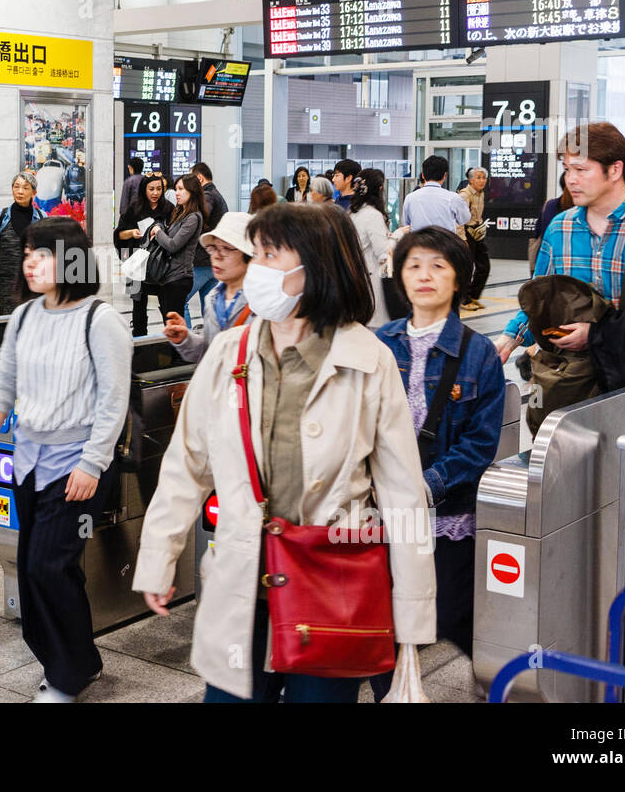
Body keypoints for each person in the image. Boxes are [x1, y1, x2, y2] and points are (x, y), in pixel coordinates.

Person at [134, 202, 436, 702]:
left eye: (271, 255)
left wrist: (409, 614)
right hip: (242, 585)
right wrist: (158, 559)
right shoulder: (229, 353)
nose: (257, 270)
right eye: (258, 255)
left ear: (315, 267)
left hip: (330, 588)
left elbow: (404, 496)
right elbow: (186, 467)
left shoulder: (369, 361)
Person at [0, 217, 131, 703]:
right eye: (29, 252)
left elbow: (113, 399)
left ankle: (66, 674)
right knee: (50, 567)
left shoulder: (99, 320)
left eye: (43, 252)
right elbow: (5, 383)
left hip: (78, 467)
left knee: (44, 567)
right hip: (29, 463)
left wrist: (91, 464)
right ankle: (79, 660)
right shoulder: (24, 316)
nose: (31, 261)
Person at [371, 226, 505, 699]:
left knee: (451, 614)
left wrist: (425, 486)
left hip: (446, 518)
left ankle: (499, 685)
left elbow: (479, 443)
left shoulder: (480, 354)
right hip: (380, 516)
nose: (424, 276)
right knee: (380, 623)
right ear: (399, 277)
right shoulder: (377, 344)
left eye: (438, 266)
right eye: (413, 266)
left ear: (458, 279)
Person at [496, 123, 625, 364]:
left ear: (614, 170)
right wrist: (508, 340)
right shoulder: (560, 228)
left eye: (581, 169)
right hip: (574, 376)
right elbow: (541, 302)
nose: (571, 180)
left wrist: (598, 334)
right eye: (567, 170)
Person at [161, 211, 251, 362]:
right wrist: (185, 339)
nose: (216, 255)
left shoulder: (261, 305)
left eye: (226, 248)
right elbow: (210, 353)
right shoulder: (214, 297)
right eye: (213, 248)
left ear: (249, 254)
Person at [135, 173, 205, 337]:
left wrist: (157, 231)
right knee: (170, 322)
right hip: (168, 276)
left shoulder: (193, 218)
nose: (177, 193)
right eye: (176, 189)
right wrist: (159, 226)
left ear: (192, 191)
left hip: (179, 277)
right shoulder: (180, 213)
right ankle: (173, 355)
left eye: (181, 189)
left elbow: (173, 245)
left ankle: (179, 357)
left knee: (174, 323)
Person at [0, 171, 45, 316]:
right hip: (6, 278)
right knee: (6, 318)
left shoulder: (41, 217)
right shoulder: (2, 216)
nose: (20, 191)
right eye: (16, 187)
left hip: (32, 278)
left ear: (34, 192)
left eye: (25, 188)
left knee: (31, 317)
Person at [185, 162, 228, 328]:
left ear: (199, 178)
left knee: (180, 300)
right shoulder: (217, 194)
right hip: (211, 261)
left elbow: (199, 219)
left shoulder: (207, 196)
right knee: (208, 305)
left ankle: (185, 346)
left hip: (202, 261)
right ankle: (211, 341)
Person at [350, 168, 391, 327]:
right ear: (380, 188)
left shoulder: (354, 213)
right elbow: (383, 252)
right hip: (373, 278)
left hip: (358, 277)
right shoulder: (373, 215)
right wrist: (398, 237)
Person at [401, 154, 470, 235]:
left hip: (418, 244)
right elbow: (465, 219)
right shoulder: (453, 198)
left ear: (423, 175)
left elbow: (406, 225)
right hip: (445, 245)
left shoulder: (410, 198)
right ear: (444, 176)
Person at [114, 173, 171, 257]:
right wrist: (132, 233)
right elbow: (119, 235)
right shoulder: (133, 208)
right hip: (136, 256)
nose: (155, 193)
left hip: (160, 258)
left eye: (159, 189)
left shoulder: (168, 208)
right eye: (151, 189)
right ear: (144, 189)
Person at [460, 167, 490, 312]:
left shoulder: (481, 194)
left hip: (477, 232)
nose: (482, 180)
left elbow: (477, 215)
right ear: (471, 180)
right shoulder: (465, 195)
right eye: (478, 177)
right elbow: (458, 219)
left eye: (484, 177)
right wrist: (463, 238)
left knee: (484, 266)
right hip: (466, 233)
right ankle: (463, 300)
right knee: (467, 268)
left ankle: (472, 296)